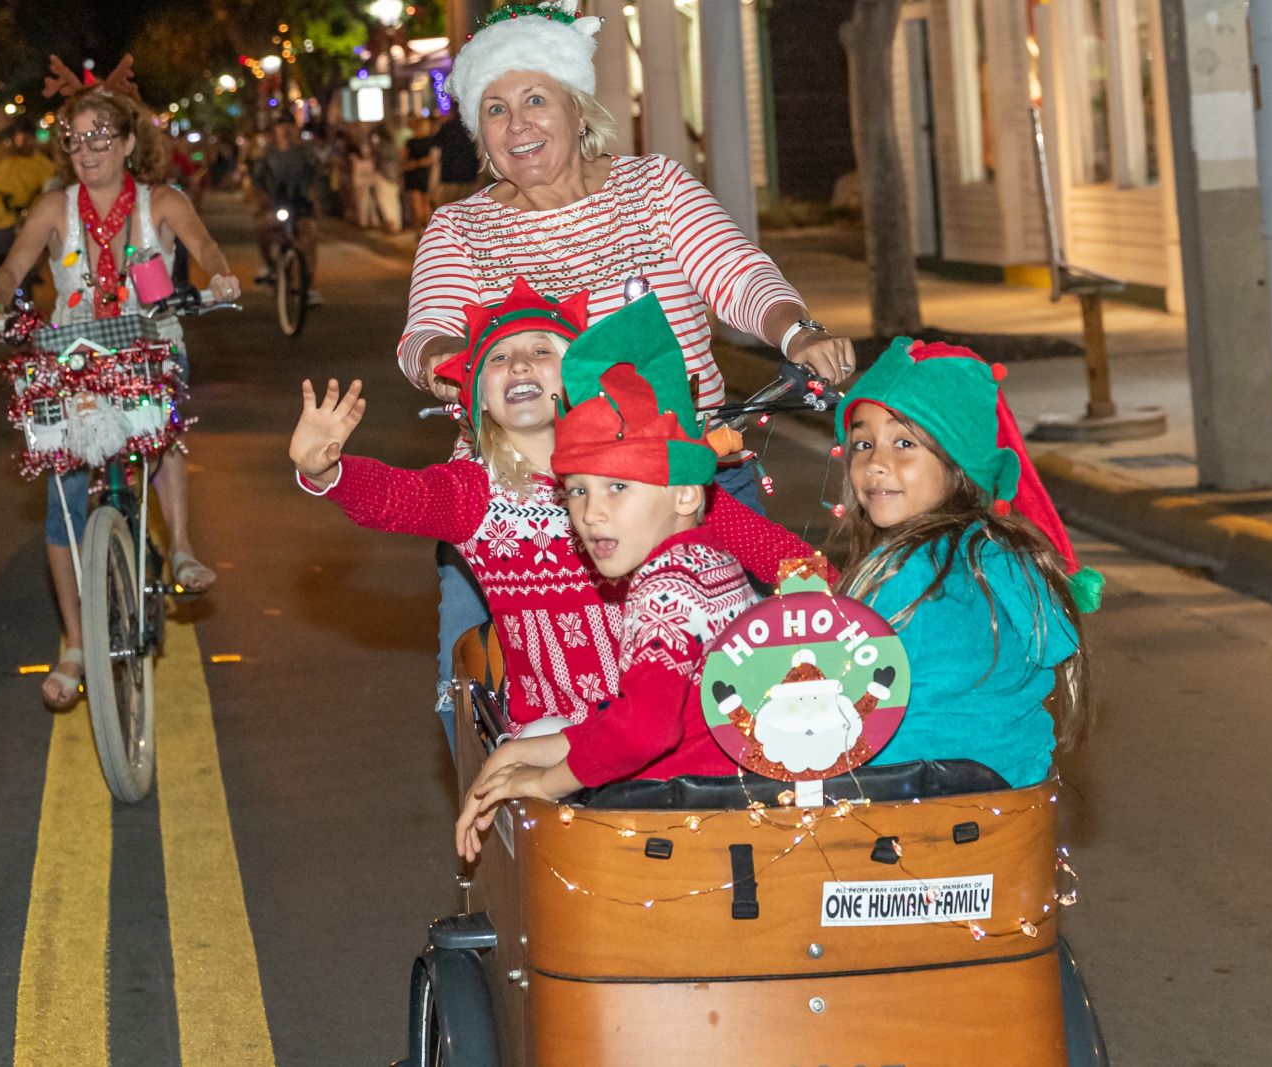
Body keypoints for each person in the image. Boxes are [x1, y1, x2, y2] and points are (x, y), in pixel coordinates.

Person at [407, 0, 859, 736]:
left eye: (534, 100)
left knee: (763, 684)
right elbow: (425, 330)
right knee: (479, 686)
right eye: (496, 109)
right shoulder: (461, 229)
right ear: (479, 135)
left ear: (576, 108)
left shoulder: (654, 188)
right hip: (523, 499)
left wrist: (796, 331)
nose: (518, 124)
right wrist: (446, 365)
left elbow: (738, 275)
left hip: (684, 474)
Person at [289, 280, 819, 752]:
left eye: (540, 351)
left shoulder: (649, 476)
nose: (518, 364)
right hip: (557, 730)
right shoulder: (474, 493)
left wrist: (854, 613)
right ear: (479, 398)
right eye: (498, 359)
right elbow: (397, 497)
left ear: (576, 380)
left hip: (680, 724)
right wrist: (327, 472)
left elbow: (780, 555)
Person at [0, 68, 241, 709]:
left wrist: (221, 276)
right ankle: (73, 643)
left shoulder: (162, 202)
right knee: (63, 494)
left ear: (124, 143)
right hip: (73, 353)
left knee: (158, 424)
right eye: (75, 141)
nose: (86, 152)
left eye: (99, 139)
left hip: (147, 343)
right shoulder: (53, 208)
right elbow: (11, 267)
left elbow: (205, 248)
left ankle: (183, 551)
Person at [454, 296, 758, 860]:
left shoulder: (664, 590)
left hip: (676, 815)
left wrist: (540, 780)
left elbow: (645, 733)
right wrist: (537, 750)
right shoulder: (707, 560)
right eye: (577, 491)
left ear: (686, 493)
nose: (591, 513)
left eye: (619, 488)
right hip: (736, 788)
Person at [831, 341, 1099, 789]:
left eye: (903, 443)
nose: (876, 464)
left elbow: (840, 690)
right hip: (1011, 801)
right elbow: (1055, 645)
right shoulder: (1006, 549)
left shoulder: (904, 572)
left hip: (902, 803)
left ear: (959, 462)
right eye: (862, 443)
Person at [0, 111, 57, 282]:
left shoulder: (43, 163)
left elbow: (53, 189)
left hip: (29, 221)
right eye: (22, 138)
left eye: (30, 138)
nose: (26, 143)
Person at [252, 115, 321, 305]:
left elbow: (316, 175)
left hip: (300, 201)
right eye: (282, 126)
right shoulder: (268, 153)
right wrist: (261, 200)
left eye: (290, 125)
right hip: (276, 201)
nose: (286, 130)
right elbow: (258, 180)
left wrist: (314, 197)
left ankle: (308, 287)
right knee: (263, 227)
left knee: (309, 237)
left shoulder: (306, 152)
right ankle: (268, 265)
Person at [431, 109, 479, 207]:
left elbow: (435, 157)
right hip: (469, 178)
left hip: (448, 179)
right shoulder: (473, 130)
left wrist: (433, 182)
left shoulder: (445, 128)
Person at [402, 114, 439, 230]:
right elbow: (432, 159)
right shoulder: (431, 141)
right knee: (426, 203)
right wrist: (421, 163)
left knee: (416, 202)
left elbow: (404, 158)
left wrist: (413, 164)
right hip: (425, 173)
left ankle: (419, 228)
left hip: (413, 173)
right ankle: (428, 227)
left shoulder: (410, 142)